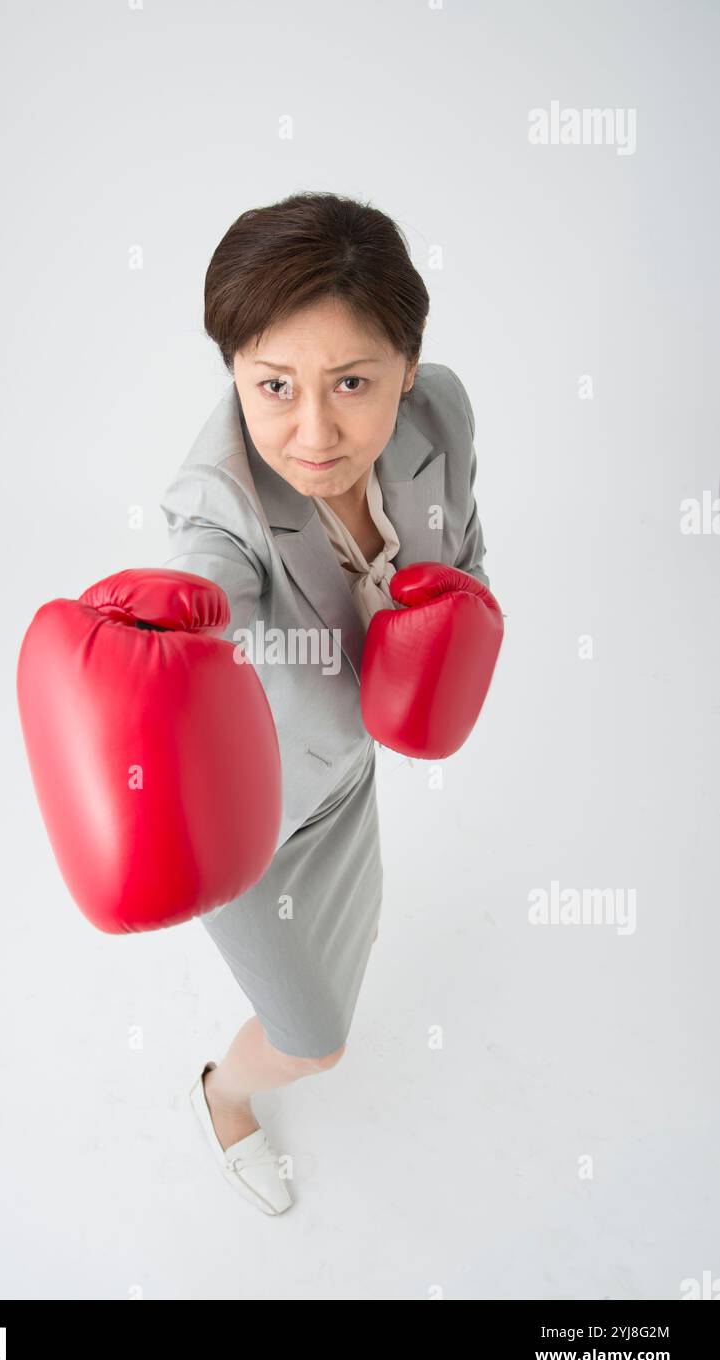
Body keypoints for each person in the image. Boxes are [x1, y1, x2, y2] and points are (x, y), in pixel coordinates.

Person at [160, 191, 493, 1216]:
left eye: (352, 380)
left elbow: (468, 551)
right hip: (241, 819)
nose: (313, 430)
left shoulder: (440, 413)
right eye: (272, 386)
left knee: (355, 929)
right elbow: (208, 594)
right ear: (233, 375)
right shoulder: (217, 503)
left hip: (337, 776)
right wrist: (164, 638)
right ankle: (221, 1096)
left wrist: (458, 621)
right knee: (312, 1041)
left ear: (407, 359)